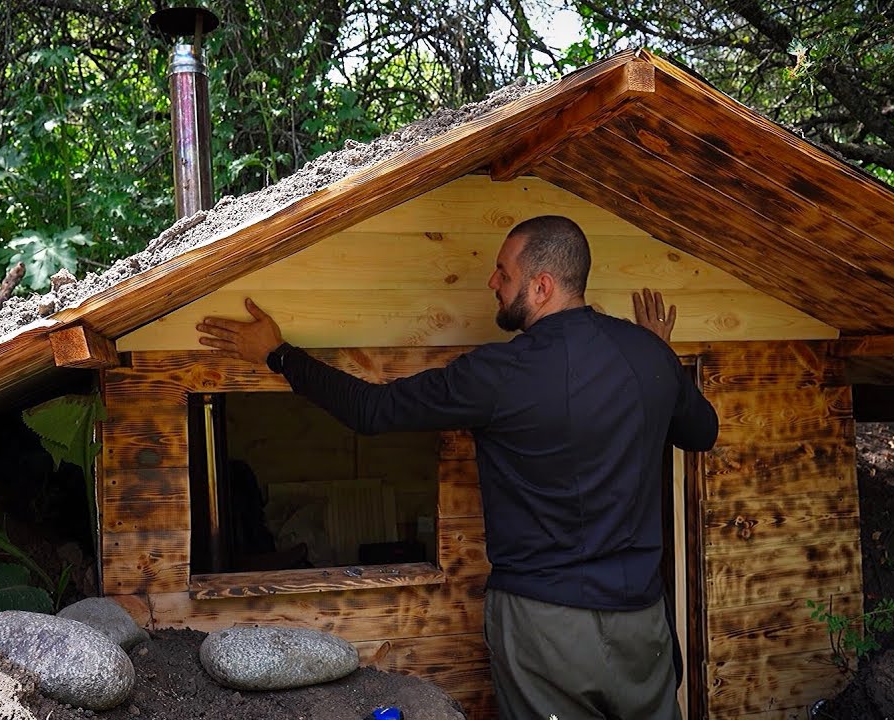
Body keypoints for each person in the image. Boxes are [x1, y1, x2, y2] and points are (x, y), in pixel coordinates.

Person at [197, 215, 718, 720]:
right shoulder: (649, 356)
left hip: (544, 624)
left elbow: (371, 411)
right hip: (642, 623)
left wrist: (279, 355)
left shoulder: (498, 374)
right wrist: (659, 365)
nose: (492, 282)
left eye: (503, 273)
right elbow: (703, 433)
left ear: (541, 287)